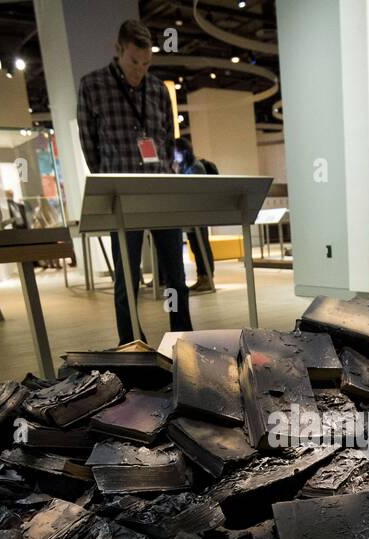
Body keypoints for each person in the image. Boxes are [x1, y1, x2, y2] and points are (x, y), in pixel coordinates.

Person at [77, 19, 193, 345]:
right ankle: (132, 346)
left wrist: (167, 172)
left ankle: (183, 341)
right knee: (126, 281)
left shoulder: (157, 89)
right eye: (133, 61)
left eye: (146, 63)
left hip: (161, 192)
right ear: (118, 50)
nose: (140, 70)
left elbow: (167, 140)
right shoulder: (93, 85)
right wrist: (108, 185)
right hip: (122, 196)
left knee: (176, 276)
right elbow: (90, 146)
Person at [174, 137, 217, 294]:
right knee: (195, 246)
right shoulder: (183, 166)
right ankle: (202, 278)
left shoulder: (195, 167)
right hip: (191, 213)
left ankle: (207, 277)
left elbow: (196, 189)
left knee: (201, 245)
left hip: (199, 212)